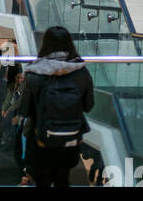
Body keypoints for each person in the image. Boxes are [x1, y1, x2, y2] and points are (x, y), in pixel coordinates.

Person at [17, 25, 94, 188]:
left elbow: (25, 110)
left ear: (45, 45)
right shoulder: (82, 73)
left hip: (41, 141)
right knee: (62, 178)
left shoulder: (34, 73)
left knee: (42, 181)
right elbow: (88, 106)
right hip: (70, 142)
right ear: (70, 44)